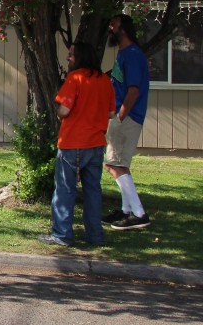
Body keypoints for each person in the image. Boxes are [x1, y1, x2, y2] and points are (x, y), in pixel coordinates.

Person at [39, 42, 115, 247]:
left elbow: (63, 110)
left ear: (81, 56)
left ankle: (62, 235)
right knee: (93, 191)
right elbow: (111, 113)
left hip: (73, 142)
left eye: (71, 54)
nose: (68, 58)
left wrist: (59, 111)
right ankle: (95, 235)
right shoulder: (104, 80)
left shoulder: (75, 78)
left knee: (65, 189)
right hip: (96, 144)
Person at [104, 13, 151, 229]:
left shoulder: (132, 54)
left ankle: (139, 214)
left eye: (114, 22)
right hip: (124, 115)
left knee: (113, 164)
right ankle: (126, 211)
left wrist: (120, 116)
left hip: (127, 116)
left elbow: (133, 91)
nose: (110, 26)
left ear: (124, 27)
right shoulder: (124, 54)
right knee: (121, 164)